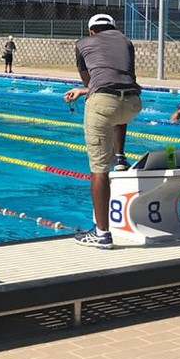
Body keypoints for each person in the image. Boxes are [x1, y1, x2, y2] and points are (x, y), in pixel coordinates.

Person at [64, 13, 142, 249]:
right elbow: (124, 77)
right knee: (117, 112)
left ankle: (102, 234)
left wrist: (83, 90)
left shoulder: (82, 44)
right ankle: (121, 158)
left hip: (103, 104)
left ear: (91, 31)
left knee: (98, 169)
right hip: (133, 104)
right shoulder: (126, 42)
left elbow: (90, 83)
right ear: (113, 27)